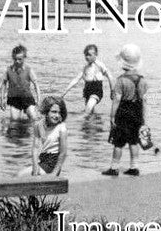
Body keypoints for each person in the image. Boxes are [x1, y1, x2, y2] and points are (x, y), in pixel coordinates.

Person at [102, 44, 148, 177]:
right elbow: (144, 101)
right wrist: (144, 119)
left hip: (123, 112)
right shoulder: (143, 80)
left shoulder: (121, 80)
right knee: (134, 141)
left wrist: (111, 117)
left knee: (118, 142)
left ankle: (114, 168)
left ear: (123, 64)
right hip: (137, 112)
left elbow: (116, 100)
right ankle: (134, 167)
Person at [63, 44, 113, 115]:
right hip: (87, 91)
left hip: (96, 91)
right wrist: (65, 92)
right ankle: (92, 123)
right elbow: (76, 79)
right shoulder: (85, 67)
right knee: (90, 112)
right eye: (86, 55)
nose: (87, 57)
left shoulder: (99, 65)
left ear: (96, 55)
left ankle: (80, 121)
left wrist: (112, 91)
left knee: (87, 110)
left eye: (89, 55)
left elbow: (110, 77)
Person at [30, 96, 68, 177]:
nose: (57, 115)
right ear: (46, 112)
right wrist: (35, 166)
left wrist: (55, 173)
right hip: (43, 159)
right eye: (54, 112)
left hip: (53, 162)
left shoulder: (61, 128)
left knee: (21, 175)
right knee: (31, 176)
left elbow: (63, 153)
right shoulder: (38, 125)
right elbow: (35, 148)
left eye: (59, 112)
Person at [0, 44, 40, 121]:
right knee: (14, 120)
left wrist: (38, 100)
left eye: (20, 59)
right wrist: (2, 99)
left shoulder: (29, 70)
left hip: (27, 99)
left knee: (33, 117)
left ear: (24, 58)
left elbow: (36, 85)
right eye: (15, 59)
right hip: (14, 99)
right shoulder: (8, 70)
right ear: (12, 58)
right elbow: (3, 85)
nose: (17, 61)